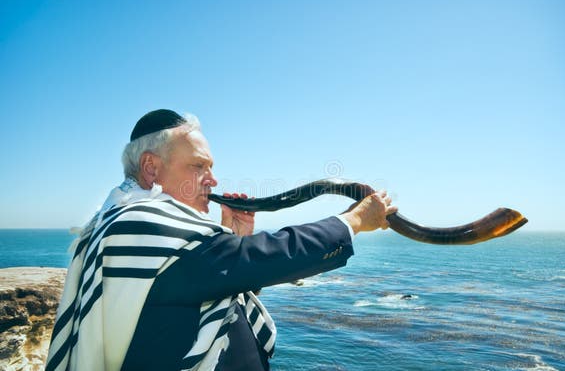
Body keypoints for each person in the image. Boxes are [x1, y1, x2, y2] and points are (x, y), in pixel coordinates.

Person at [46, 109, 397, 371]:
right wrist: (353, 221)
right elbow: (272, 255)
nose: (212, 180)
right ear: (151, 168)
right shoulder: (139, 224)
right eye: (198, 166)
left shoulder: (131, 225)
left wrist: (233, 240)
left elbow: (203, 290)